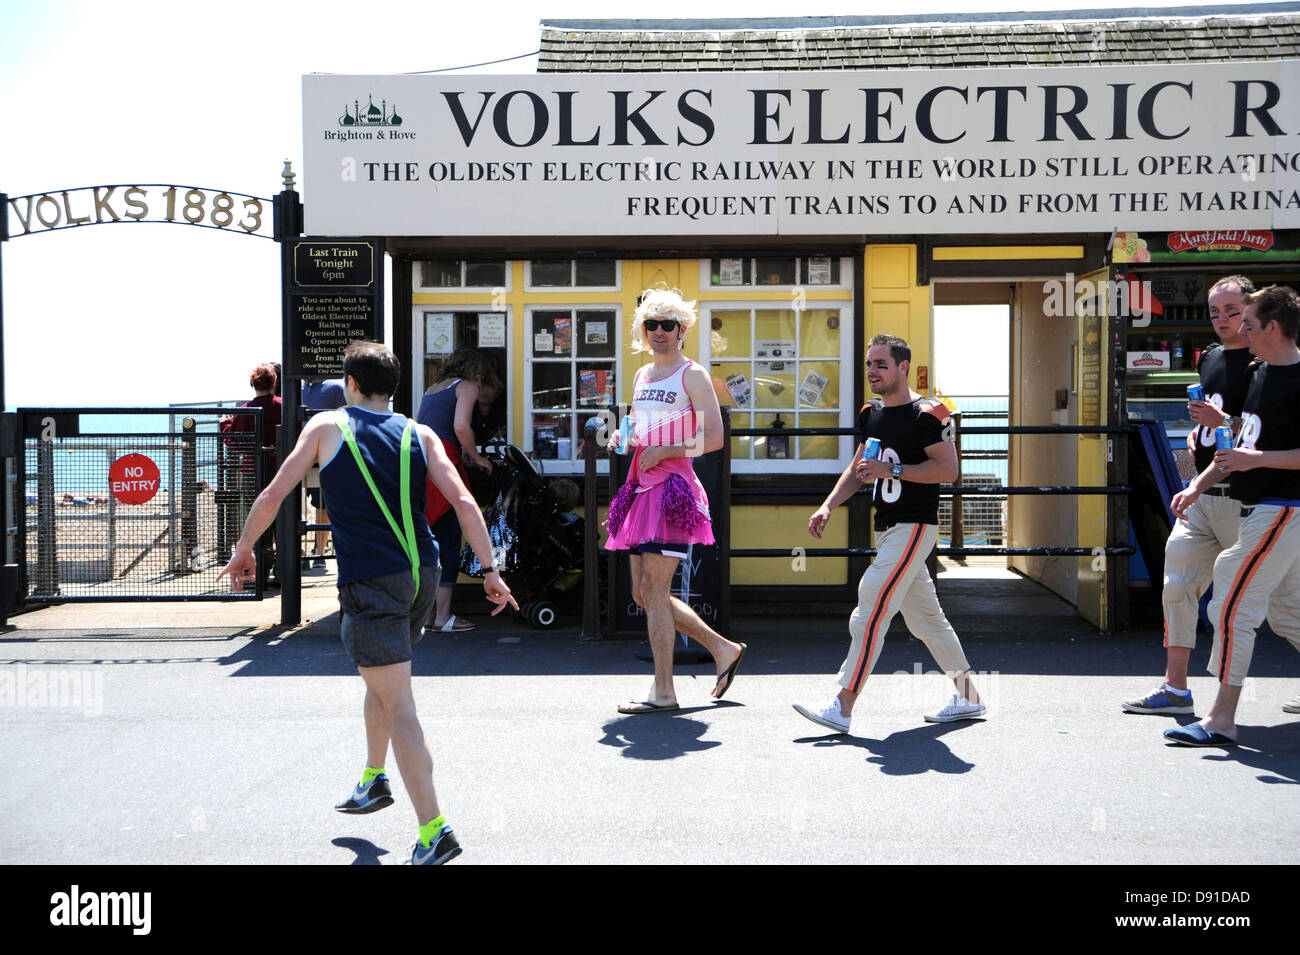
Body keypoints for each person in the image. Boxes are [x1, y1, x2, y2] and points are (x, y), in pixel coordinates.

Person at [218, 341, 517, 863]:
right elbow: (466, 502)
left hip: (372, 578)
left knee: (397, 700)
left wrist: (244, 550)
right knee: (386, 678)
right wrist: (490, 571)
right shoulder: (419, 434)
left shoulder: (327, 428)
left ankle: (435, 831)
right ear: (393, 387)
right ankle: (374, 779)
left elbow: (272, 495)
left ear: (350, 384)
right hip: (423, 573)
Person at [795, 334, 983, 734]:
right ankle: (968, 696)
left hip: (914, 526)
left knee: (871, 606)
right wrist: (829, 504)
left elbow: (947, 470)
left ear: (903, 368)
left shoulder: (928, 414)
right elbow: (858, 467)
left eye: (881, 363)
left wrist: (893, 471)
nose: (872, 371)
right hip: (888, 528)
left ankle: (842, 706)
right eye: (869, 363)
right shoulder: (872, 413)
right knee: (927, 621)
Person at [1163, 285, 1300, 746]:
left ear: (1272, 327)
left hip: (1279, 509)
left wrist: (1255, 461)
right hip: (1238, 500)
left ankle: (1220, 719)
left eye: (1246, 321)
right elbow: (1236, 439)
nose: (1235, 327)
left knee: (1232, 602)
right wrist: (1194, 483)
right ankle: (1175, 687)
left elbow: (1253, 453)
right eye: (1221, 314)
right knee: (1284, 612)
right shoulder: (1256, 369)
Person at [605, 288, 746, 713]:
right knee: (643, 593)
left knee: (653, 589)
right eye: (652, 325)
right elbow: (637, 426)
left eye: (668, 324)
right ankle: (723, 649)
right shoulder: (642, 375)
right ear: (643, 330)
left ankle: (664, 692)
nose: (660, 332)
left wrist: (665, 451)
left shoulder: (693, 375)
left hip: (673, 492)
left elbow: (715, 438)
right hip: (639, 488)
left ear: (682, 329)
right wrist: (623, 435)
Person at [1122, 276, 1257, 716]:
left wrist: (1226, 421)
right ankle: (1175, 689)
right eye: (1215, 311)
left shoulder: (1270, 363)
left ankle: (1222, 710)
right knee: (1176, 586)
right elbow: (1204, 427)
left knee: (1279, 602)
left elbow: (1269, 434)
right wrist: (1192, 464)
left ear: (1252, 310)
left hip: (1250, 499)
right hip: (1203, 495)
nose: (1222, 319)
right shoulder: (1212, 358)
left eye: (1232, 311)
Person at [416, 349, 501, 632]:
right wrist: (476, 456)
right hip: (445, 465)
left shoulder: (431, 389)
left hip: (422, 465)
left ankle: (426, 616)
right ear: (478, 374)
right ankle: (443, 617)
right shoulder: (466, 386)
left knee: (427, 541)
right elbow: (461, 426)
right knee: (450, 539)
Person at [220, 363, 283, 584]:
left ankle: (259, 575)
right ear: (274, 382)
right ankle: (284, 572)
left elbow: (236, 443)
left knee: (255, 521)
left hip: (251, 472)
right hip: (280, 471)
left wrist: (225, 425)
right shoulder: (283, 407)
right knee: (282, 522)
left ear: (253, 384)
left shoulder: (246, 410)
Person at [301, 377, 347, 570]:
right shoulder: (298, 387)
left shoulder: (335, 387)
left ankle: (320, 552)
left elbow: (346, 418)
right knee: (298, 505)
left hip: (324, 457)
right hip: (302, 455)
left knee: (322, 505)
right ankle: (301, 553)